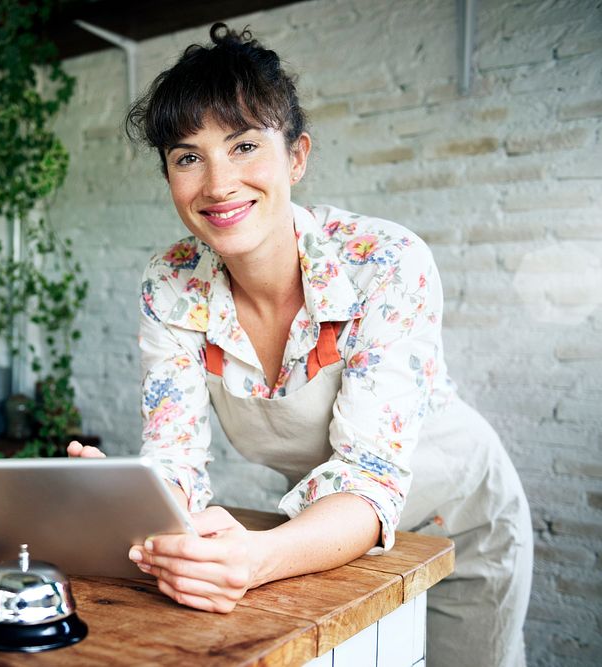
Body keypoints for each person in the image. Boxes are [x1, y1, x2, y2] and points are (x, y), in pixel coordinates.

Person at [68, 23, 533, 667]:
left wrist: (256, 557)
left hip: (458, 524)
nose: (217, 183)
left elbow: (367, 476)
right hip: (320, 536)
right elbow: (174, 457)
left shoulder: (385, 263)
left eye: (244, 146)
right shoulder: (171, 282)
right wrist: (134, 507)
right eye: (187, 157)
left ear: (296, 157)